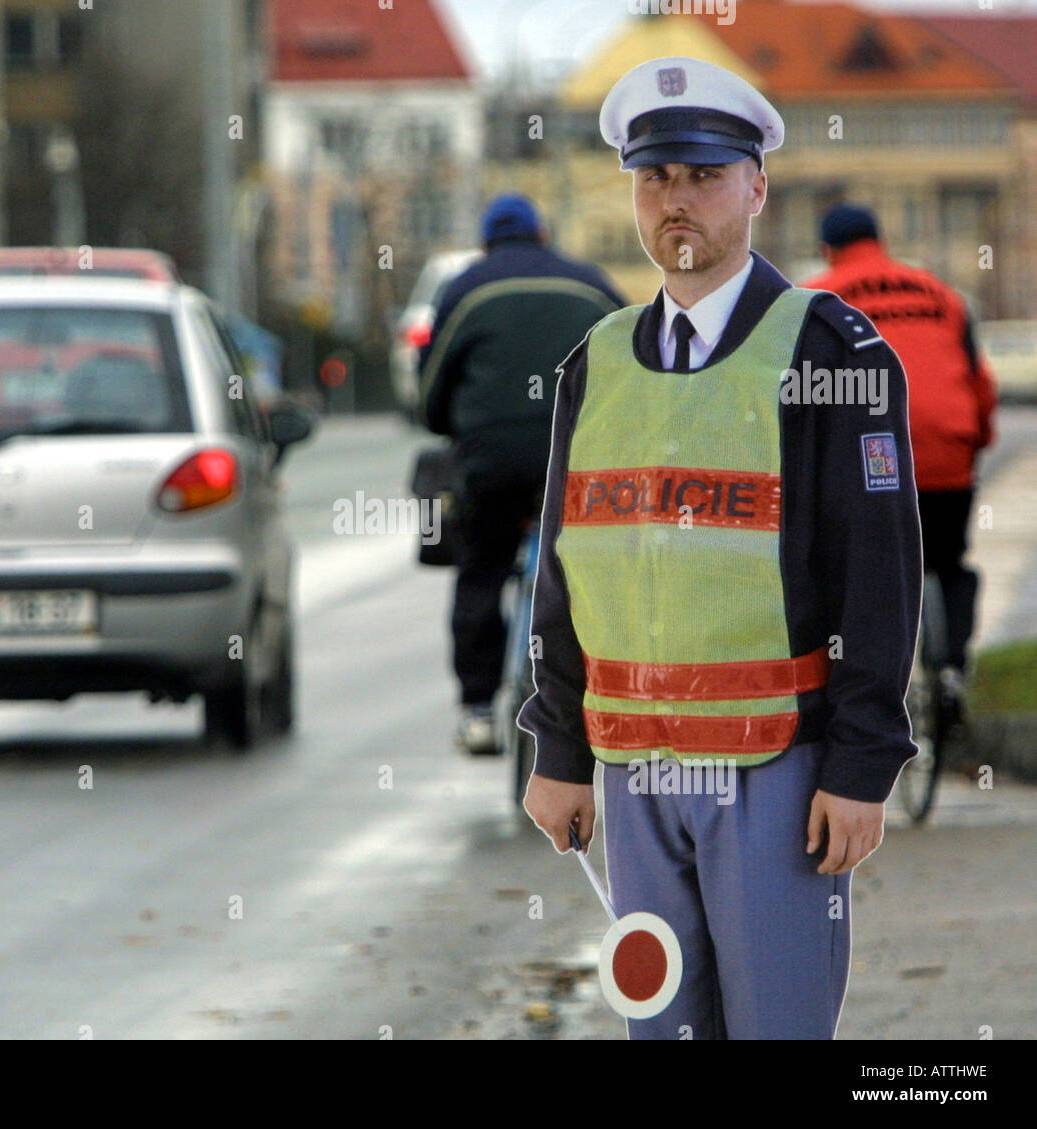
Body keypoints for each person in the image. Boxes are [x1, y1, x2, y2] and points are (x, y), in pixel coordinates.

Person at [518, 57, 923, 1039]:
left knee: (774, 1027)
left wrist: (862, 765)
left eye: (703, 175)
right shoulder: (597, 362)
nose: (676, 200)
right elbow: (566, 569)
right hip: (633, 777)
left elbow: (878, 577)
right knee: (662, 1029)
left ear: (755, 186)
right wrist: (557, 745)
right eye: (656, 177)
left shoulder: (831, 353)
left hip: (773, 773)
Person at [418, 194, 624, 754]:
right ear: (542, 234)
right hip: (580, 460)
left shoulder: (463, 289)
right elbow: (636, 363)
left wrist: (451, 426)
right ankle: (608, 703)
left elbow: (430, 394)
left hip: (492, 463)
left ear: (486, 242)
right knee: (590, 579)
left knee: (481, 570)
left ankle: (479, 710)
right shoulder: (590, 284)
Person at [804, 204, 997, 720]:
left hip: (870, 456)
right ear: (880, 239)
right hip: (945, 451)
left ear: (827, 249)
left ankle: (861, 690)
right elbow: (979, 379)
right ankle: (953, 666)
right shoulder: (940, 293)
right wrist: (974, 443)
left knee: (851, 569)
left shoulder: (816, 298)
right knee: (950, 562)